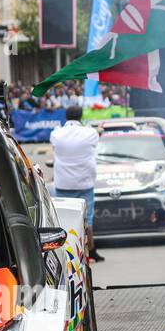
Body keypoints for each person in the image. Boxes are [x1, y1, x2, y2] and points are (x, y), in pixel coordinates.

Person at [49, 106, 102, 262]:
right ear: (81, 116)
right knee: (87, 220)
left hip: (63, 183)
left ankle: (67, 253)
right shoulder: (90, 133)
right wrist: (98, 129)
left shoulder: (56, 133)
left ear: (66, 116)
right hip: (84, 183)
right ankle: (91, 252)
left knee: (64, 219)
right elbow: (96, 138)